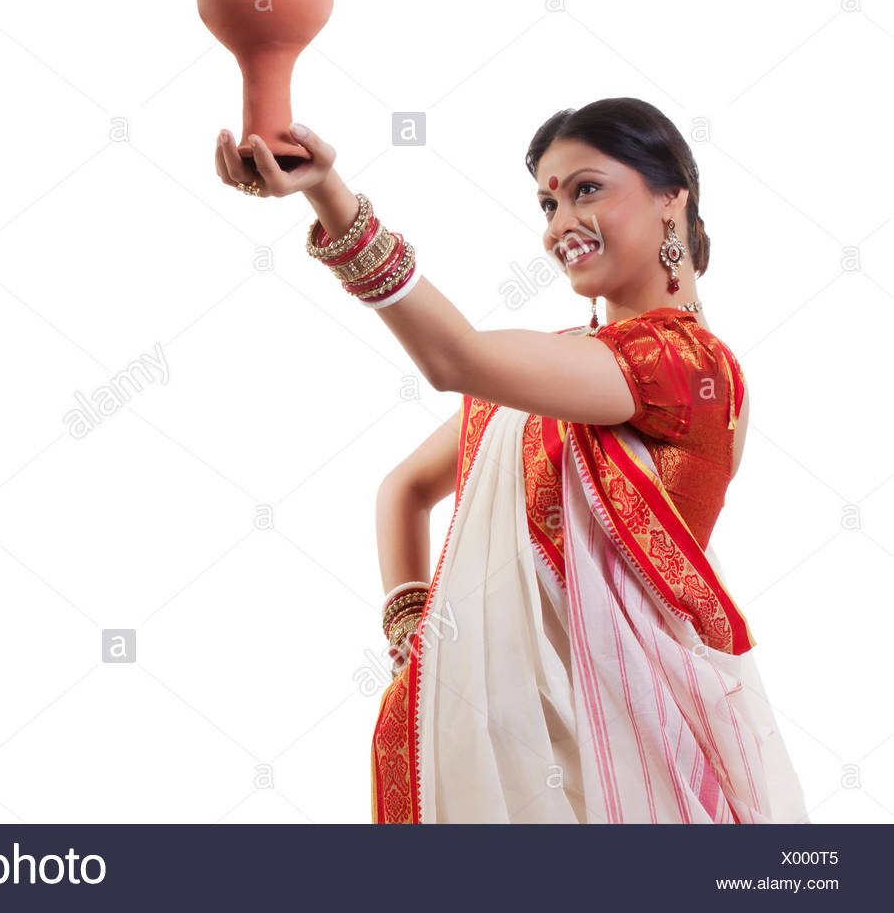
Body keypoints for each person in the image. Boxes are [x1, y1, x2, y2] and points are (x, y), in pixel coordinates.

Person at [212, 97, 810, 824]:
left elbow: (453, 358)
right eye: (548, 202)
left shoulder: (684, 367)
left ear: (670, 199)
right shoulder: (559, 375)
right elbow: (403, 489)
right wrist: (414, 639)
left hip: (633, 772)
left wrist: (327, 192)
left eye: (587, 189)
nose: (560, 225)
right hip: (516, 768)